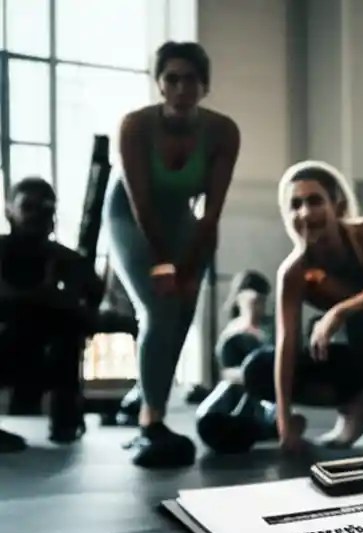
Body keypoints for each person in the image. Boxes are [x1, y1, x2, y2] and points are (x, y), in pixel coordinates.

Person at [105, 41, 241, 467]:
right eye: (172, 79)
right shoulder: (135, 126)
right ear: (159, 84)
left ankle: (147, 395)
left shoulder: (222, 131)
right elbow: (142, 204)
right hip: (131, 214)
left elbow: (211, 211)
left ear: (205, 85)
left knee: (182, 311)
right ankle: (151, 420)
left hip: (182, 218)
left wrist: (190, 266)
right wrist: (165, 265)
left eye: (191, 80)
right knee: (160, 308)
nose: (181, 88)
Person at [240, 161, 363, 452]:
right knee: (257, 368)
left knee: (361, 320)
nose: (305, 212)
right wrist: (284, 422)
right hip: (357, 360)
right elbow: (286, 344)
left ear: (337, 207)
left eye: (315, 201)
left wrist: (340, 311)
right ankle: (359, 406)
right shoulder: (293, 272)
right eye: (295, 205)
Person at [0, 178, 101, 451]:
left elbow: (93, 297)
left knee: (67, 330)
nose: (36, 216)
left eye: (44, 209)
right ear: (10, 210)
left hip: (44, 348)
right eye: (28, 207)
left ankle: (65, 419)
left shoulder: (67, 261)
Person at [216, 269, 272, 377]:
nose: (259, 308)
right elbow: (226, 370)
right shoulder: (231, 333)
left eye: (262, 301)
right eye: (255, 302)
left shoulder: (272, 330)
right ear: (238, 300)